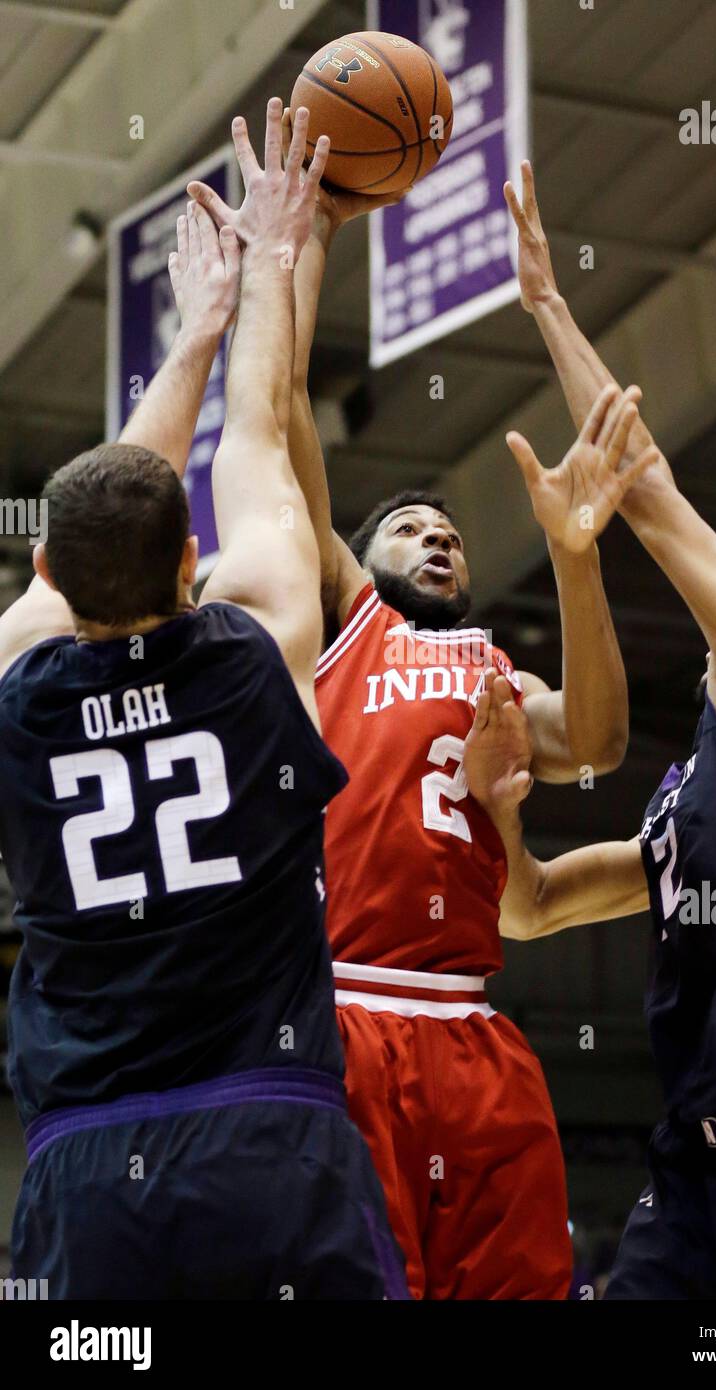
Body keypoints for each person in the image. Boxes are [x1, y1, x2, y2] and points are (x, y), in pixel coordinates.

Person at [188, 129, 657, 1298]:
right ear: (360, 554)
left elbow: (597, 742)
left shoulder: (493, 671)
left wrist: (576, 556)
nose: (435, 534)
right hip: (344, 1010)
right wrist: (310, 242)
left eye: (448, 528)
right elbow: (283, 408)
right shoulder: (345, 619)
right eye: (408, 526)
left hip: (471, 1025)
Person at [2, 102, 405, 1300]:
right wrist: (266, 272)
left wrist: (188, 337)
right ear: (194, 564)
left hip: (84, 1167)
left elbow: (116, 520)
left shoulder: (18, 688)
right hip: (267, 1134)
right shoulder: (253, 644)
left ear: (51, 584)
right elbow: (262, 443)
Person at [462, 163, 716, 1296]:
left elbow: (645, 487)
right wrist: (501, 814)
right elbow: (531, 907)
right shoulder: (680, 808)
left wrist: (547, 303)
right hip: (695, 1154)